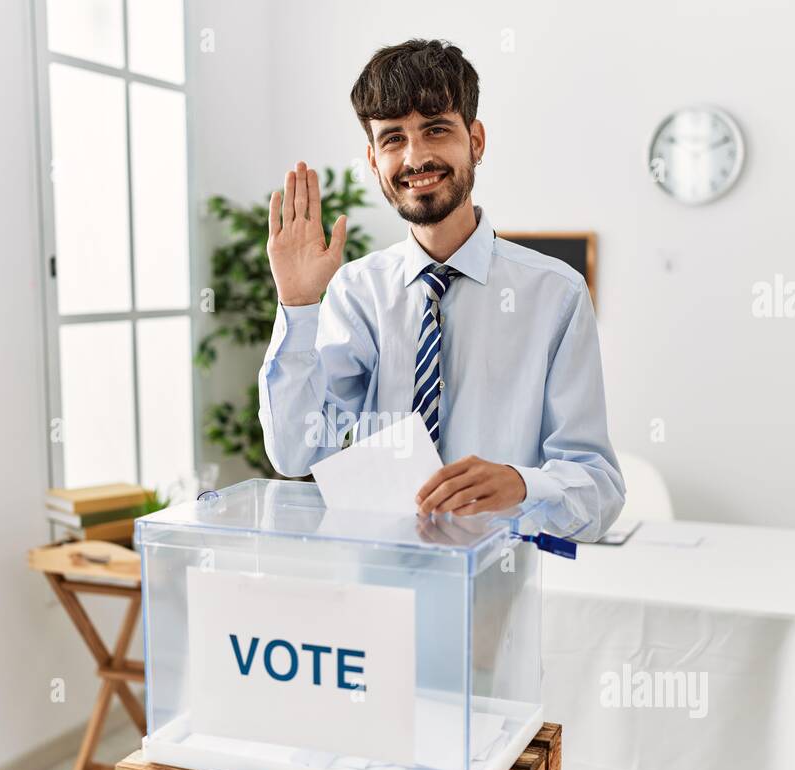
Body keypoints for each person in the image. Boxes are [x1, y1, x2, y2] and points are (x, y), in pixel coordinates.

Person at [258, 38, 624, 539]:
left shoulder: (555, 294)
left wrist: (521, 483)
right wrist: (298, 306)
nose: (415, 157)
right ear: (372, 158)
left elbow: (599, 491)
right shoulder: (358, 292)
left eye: (435, 130)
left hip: (500, 585)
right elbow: (295, 451)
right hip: (380, 579)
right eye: (393, 139)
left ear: (475, 140)